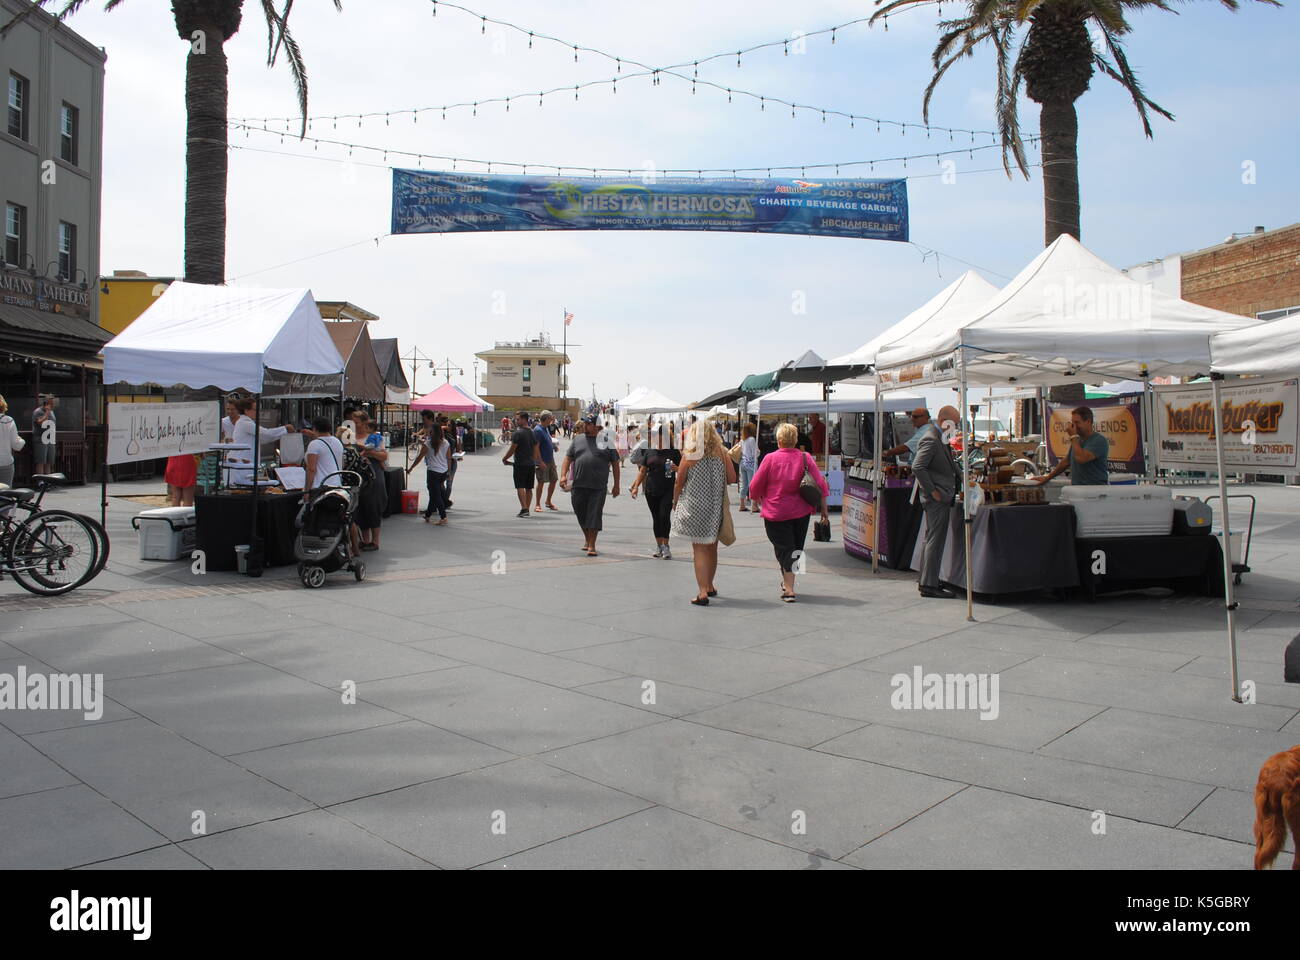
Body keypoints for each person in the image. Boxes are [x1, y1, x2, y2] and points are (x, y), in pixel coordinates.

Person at [747, 422, 830, 603]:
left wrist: (755, 498)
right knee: (796, 547)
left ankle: (790, 589)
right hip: (801, 511)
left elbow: (754, 485)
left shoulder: (770, 458)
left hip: (776, 511)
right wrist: (824, 508)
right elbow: (821, 484)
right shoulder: (805, 457)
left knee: (784, 547)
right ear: (795, 439)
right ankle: (789, 581)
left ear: (778, 440)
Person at [671, 418, 737, 605]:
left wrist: (675, 501)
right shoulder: (722, 453)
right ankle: (709, 585)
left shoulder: (690, 454)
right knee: (712, 547)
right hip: (715, 505)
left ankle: (702, 593)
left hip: (694, 505)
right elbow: (732, 478)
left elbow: (679, 481)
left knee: (699, 549)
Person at [911, 408, 959, 600]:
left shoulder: (940, 437)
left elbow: (947, 464)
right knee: (934, 541)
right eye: (955, 424)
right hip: (936, 499)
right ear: (945, 421)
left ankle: (928, 580)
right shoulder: (931, 438)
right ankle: (929, 584)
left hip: (941, 496)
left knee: (932, 539)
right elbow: (917, 466)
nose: (956, 428)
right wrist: (934, 492)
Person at [560, 413, 620, 556]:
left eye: (589, 423)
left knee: (594, 515)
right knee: (580, 513)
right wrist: (563, 476)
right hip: (578, 485)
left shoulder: (607, 441)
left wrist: (616, 485)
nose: (585, 426)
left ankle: (592, 545)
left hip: (598, 487)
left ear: (597, 426)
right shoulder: (577, 440)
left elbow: (615, 464)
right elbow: (567, 459)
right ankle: (587, 539)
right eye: (585, 423)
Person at [630, 423, 681, 559]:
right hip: (651, 489)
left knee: (664, 516)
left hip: (667, 488)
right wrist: (635, 486)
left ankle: (666, 546)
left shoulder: (673, 451)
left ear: (662, 435)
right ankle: (659, 545)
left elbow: (683, 469)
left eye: (654, 434)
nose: (651, 437)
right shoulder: (649, 451)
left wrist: (677, 469)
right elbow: (642, 470)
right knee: (656, 518)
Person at [1033, 405, 1110, 486]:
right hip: (1078, 489)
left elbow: (1081, 458)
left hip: (1095, 491)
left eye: (1077, 422)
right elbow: (1066, 462)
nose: (1074, 426)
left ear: (1088, 421)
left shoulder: (1099, 440)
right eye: (1072, 423)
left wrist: (1073, 436)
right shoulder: (1078, 440)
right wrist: (1048, 477)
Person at [227, 398, 294, 485]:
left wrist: (283, 432)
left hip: (247, 465)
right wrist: (285, 429)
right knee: (243, 486)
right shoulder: (245, 423)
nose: (258, 412)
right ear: (246, 410)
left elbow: (264, 438)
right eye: (255, 409)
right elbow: (266, 433)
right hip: (242, 466)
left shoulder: (246, 422)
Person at [352, 413, 388, 550]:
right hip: (356, 476)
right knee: (359, 508)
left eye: (357, 422)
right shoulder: (350, 437)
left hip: (372, 475)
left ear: (364, 423)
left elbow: (384, 456)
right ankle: (365, 540)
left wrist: (369, 453)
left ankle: (375, 541)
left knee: (373, 506)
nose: (355, 425)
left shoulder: (374, 438)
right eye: (353, 422)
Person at [407, 420, 450, 524]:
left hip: (433, 472)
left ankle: (443, 517)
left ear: (432, 432)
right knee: (434, 493)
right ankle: (428, 515)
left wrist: (411, 468)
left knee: (436, 494)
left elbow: (420, 457)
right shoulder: (446, 442)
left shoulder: (428, 444)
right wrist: (449, 471)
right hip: (443, 471)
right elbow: (449, 458)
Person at [501, 410, 537, 519]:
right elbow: (536, 447)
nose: (516, 421)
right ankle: (527, 508)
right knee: (529, 487)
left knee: (520, 486)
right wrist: (534, 460)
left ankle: (524, 508)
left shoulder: (518, 433)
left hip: (521, 464)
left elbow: (513, 448)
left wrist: (505, 458)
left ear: (524, 419)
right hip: (530, 464)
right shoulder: (532, 432)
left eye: (518, 419)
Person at [302, 416, 346, 491]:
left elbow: (311, 469)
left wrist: (306, 491)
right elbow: (342, 463)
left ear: (314, 428)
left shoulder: (314, 444)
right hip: (337, 485)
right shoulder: (337, 442)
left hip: (320, 487)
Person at [533, 410, 559, 512]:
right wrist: (540, 461)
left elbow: (547, 441)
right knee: (541, 482)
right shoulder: (538, 430)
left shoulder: (545, 428)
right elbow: (536, 447)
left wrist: (553, 447)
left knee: (554, 479)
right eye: (551, 418)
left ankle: (548, 501)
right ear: (546, 418)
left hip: (550, 459)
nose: (552, 420)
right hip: (542, 460)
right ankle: (537, 504)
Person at [0, 394, 24, 487]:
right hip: (6, 462)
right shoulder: (9, 420)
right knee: (6, 495)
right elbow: (16, 445)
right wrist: (21, 440)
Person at [31, 394, 57, 474]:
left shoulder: (52, 412)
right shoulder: (38, 412)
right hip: (41, 439)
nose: (53, 405)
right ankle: (41, 481)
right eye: (51, 404)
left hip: (50, 439)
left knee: (49, 462)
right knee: (41, 461)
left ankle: (48, 481)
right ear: (46, 404)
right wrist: (46, 413)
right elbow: (40, 423)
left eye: (53, 403)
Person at [737, 421, 759, 512]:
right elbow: (755, 453)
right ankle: (754, 505)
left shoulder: (742, 440)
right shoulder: (752, 440)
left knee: (744, 485)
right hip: (751, 464)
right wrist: (759, 452)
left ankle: (742, 504)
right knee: (753, 485)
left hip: (743, 463)